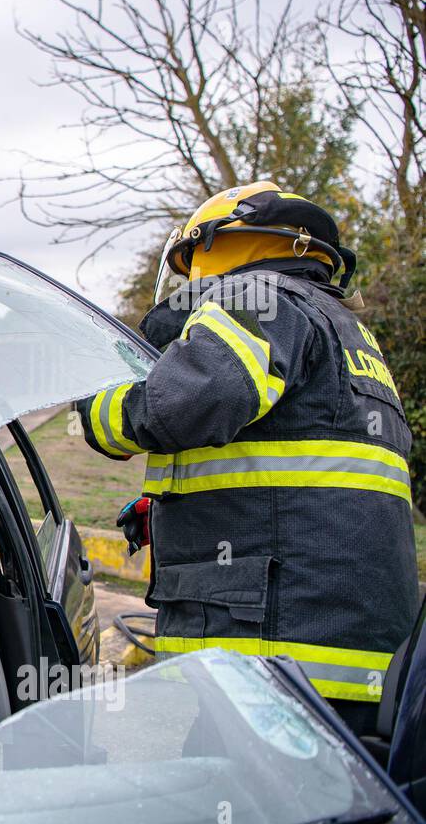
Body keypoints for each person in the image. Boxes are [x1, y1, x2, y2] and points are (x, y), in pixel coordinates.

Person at [76, 181, 417, 734]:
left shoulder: (254, 297)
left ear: (218, 247)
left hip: (269, 660)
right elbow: (302, 469)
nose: (188, 283)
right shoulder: (350, 335)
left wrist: (92, 406)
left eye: (191, 264)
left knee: (239, 812)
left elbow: (179, 405)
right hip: (352, 663)